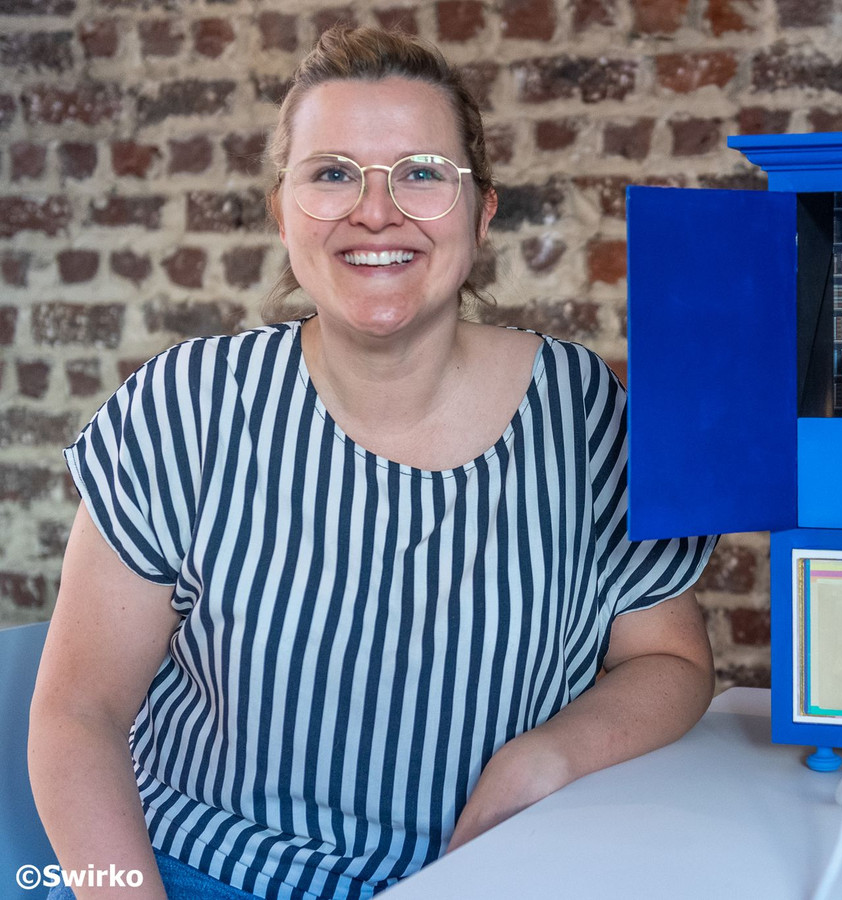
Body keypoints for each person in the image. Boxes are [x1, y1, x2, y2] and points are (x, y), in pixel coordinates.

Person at [29, 26, 717, 900]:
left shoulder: (585, 413)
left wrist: (544, 760)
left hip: (491, 879)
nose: (376, 211)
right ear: (283, 211)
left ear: (483, 210)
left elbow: (672, 661)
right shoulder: (187, 405)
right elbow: (76, 716)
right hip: (195, 871)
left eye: (423, 173)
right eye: (331, 174)